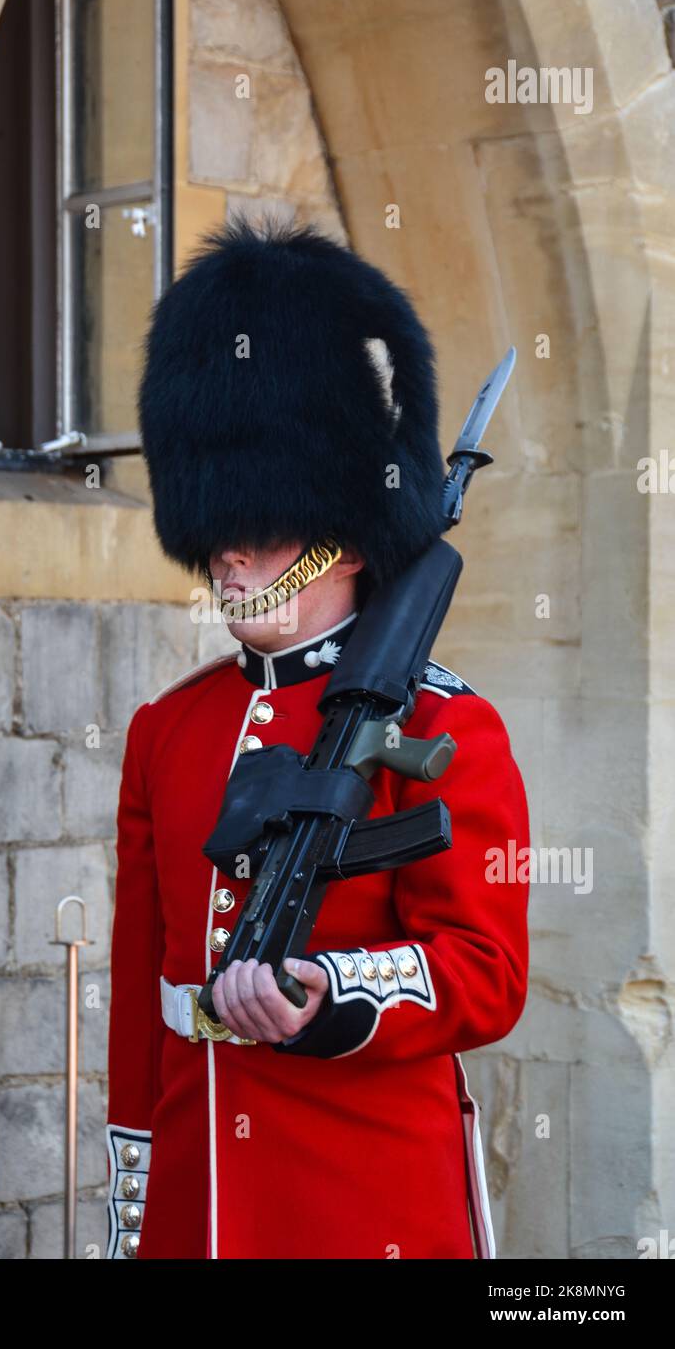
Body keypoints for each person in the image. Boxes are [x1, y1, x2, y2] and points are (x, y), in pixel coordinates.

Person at [105, 215, 529, 1259]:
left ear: (342, 526)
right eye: (221, 534)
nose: (235, 560)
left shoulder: (442, 721)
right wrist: (134, 1203)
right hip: (195, 1204)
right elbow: (139, 999)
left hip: (361, 1204)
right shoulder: (171, 729)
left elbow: (483, 971)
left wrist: (329, 992)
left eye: (268, 528)